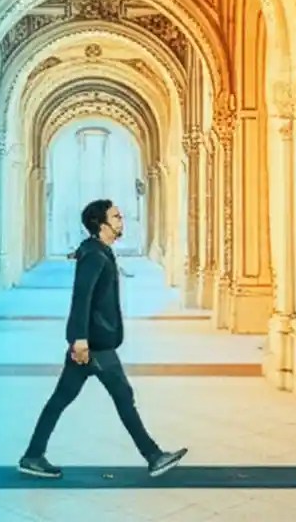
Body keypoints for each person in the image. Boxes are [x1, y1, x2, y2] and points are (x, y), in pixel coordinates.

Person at [18, 199, 187, 479]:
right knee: (122, 397)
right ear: (100, 223)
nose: (122, 221)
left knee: (62, 399)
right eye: (116, 217)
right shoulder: (95, 255)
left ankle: (33, 455)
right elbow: (81, 298)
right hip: (95, 346)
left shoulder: (98, 252)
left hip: (94, 343)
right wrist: (79, 339)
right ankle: (154, 456)